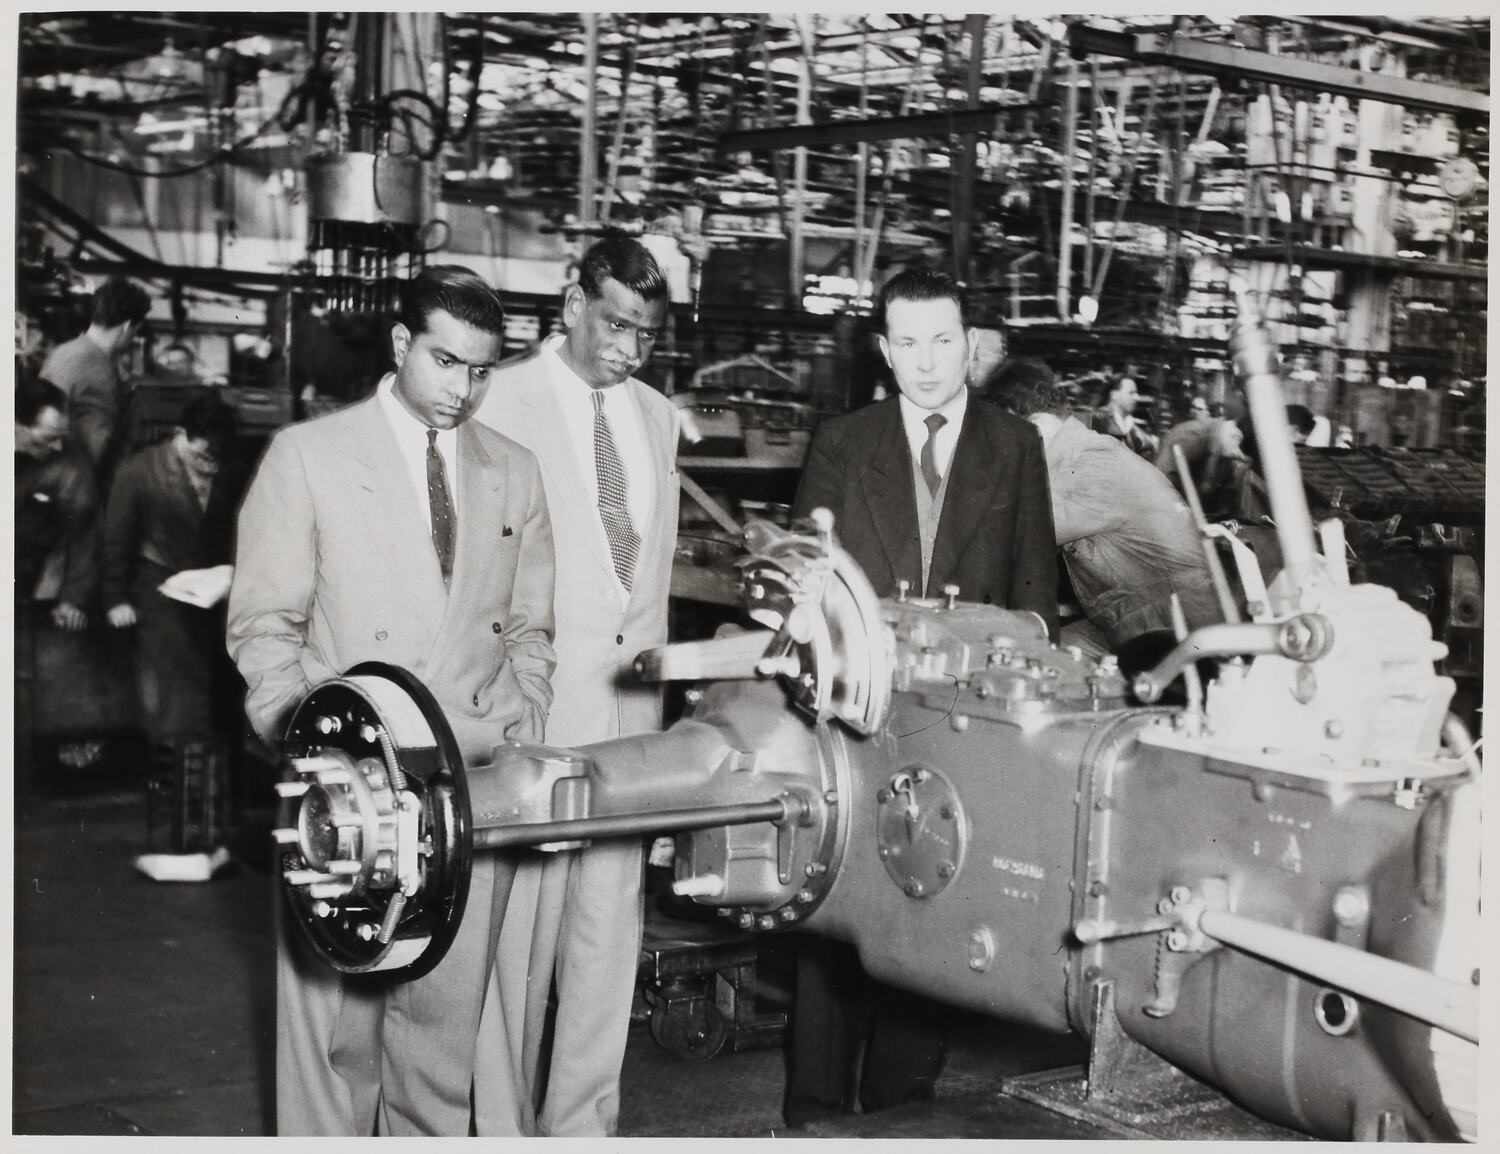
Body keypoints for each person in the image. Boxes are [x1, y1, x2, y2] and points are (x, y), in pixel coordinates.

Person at [225, 265, 557, 1136]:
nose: (463, 389)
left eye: (482, 371)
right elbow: (265, 624)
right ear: (402, 344)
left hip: (466, 787)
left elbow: (531, 627)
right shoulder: (309, 457)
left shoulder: (515, 472)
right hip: (345, 793)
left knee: (440, 1043)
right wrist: (309, 743)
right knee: (332, 1042)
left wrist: (524, 715)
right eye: (446, 363)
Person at [785, 268, 1058, 1126]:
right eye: (907, 343)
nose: (928, 363)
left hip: (962, 724)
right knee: (835, 911)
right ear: (883, 349)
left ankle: (903, 1116)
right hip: (856, 719)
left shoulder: (1014, 445)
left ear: (970, 343)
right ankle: (816, 1115)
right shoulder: (842, 440)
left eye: (943, 341)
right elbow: (806, 585)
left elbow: (1035, 600)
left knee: (938, 906)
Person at [471, 233, 680, 1137]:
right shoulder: (499, 403)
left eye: (646, 335)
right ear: (571, 305)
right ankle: (502, 1124)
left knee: (608, 924)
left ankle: (581, 1124)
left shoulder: (658, 416)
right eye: (616, 326)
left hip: (630, 709)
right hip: (539, 705)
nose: (629, 351)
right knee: (519, 931)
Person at [989, 357, 1221, 657]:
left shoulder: (1087, 465)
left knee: (1028, 660)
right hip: (1138, 615)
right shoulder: (1084, 453)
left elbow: (1007, 536)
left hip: (1176, 623)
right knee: (1038, 649)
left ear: (1037, 426)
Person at [103, 393, 242, 748]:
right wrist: (114, 597)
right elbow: (116, 540)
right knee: (175, 689)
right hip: (160, 585)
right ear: (179, 434)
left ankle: (204, 763)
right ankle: (181, 763)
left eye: (216, 459)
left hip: (214, 587)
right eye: (201, 457)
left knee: (218, 685)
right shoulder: (138, 472)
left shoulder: (229, 468)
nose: (209, 467)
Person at [40, 277, 152, 469]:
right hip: (74, 483)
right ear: (127, 327)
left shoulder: (61, 352)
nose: (134, 338)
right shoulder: (98, 369)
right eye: (136, 330)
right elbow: (97, 449)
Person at [15, 376, 98, 631]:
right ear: (16, 426)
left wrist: (74, 597)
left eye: (62, 435)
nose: (58, 446)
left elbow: (86, 531)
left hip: (31, 586)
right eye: (47, 439)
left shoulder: (70, 461)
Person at [1091, 375, 1158, 457]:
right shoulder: (1098, 420)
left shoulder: (1131, 427)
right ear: (1114, 395)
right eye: (1131, 393)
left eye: (1136, 393)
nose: (1137, 398)